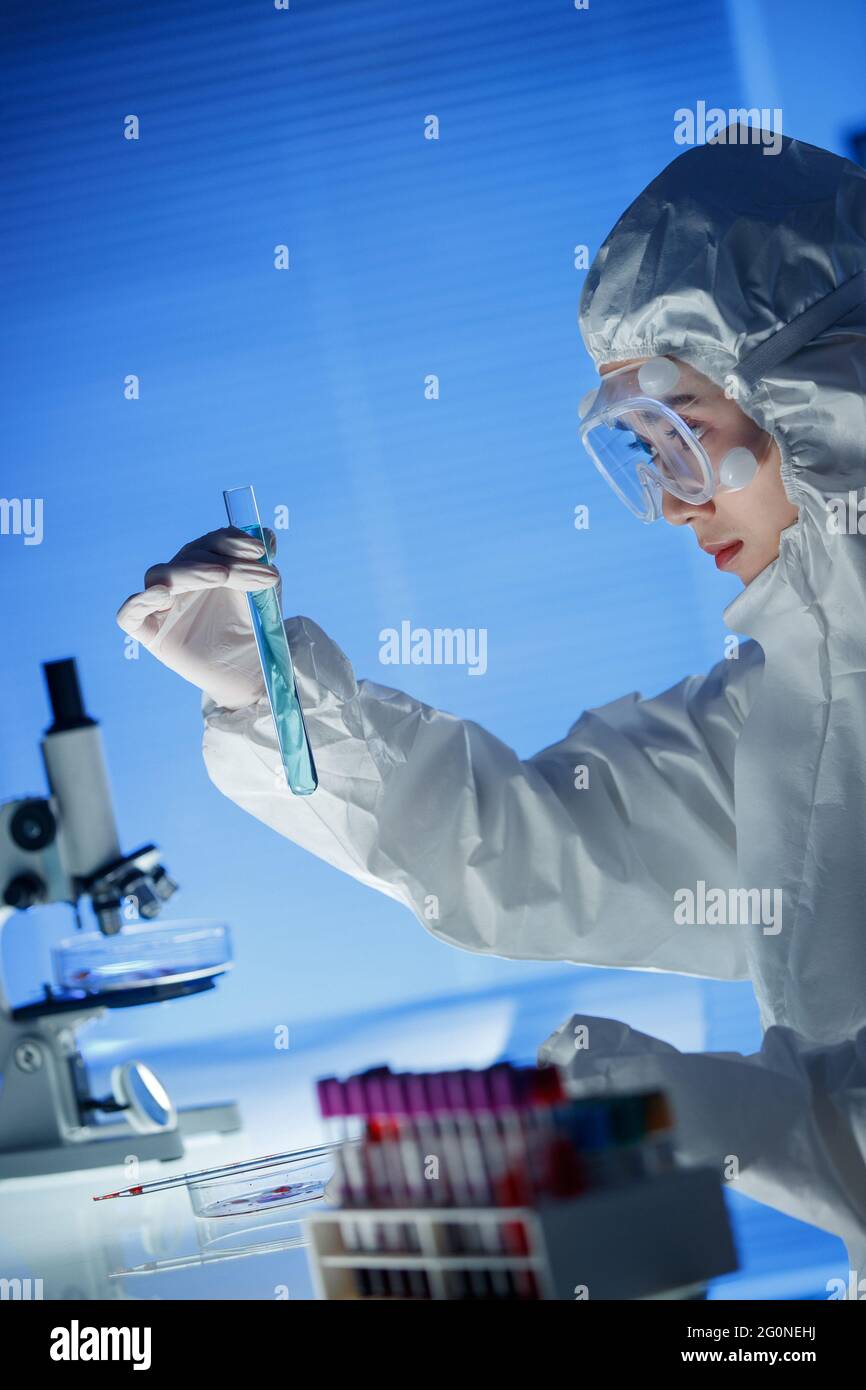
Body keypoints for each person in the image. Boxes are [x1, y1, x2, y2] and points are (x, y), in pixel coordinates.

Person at [118, 131, 866, 1267]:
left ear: (818, 400)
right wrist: (278, 702)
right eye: (639, 453)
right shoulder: (786, 719)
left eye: (682, 437)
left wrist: (757, 1120)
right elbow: (516, 846)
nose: (671, 505)